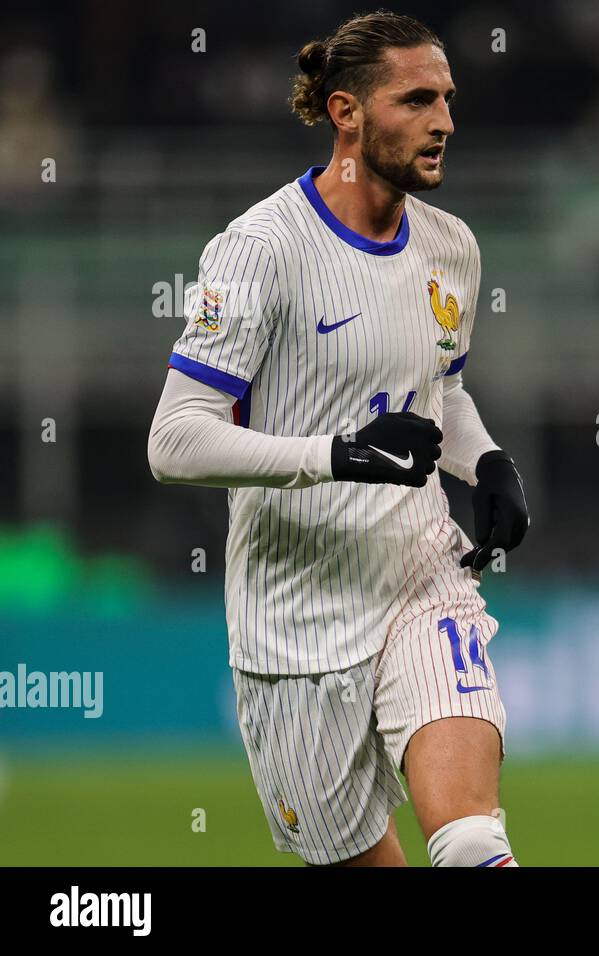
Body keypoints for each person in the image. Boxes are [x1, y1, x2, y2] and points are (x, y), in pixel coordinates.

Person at [147, 11, 528, 867]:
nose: (445, 122)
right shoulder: (259, 251)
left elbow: (444, 392)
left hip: (420, 578)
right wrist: (335, 453)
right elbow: (174, 440)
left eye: (449, 99)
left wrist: (489, 462)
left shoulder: (452, 247)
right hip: (293, 624)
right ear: (346, 112)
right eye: (418, 99)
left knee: (470, 842)